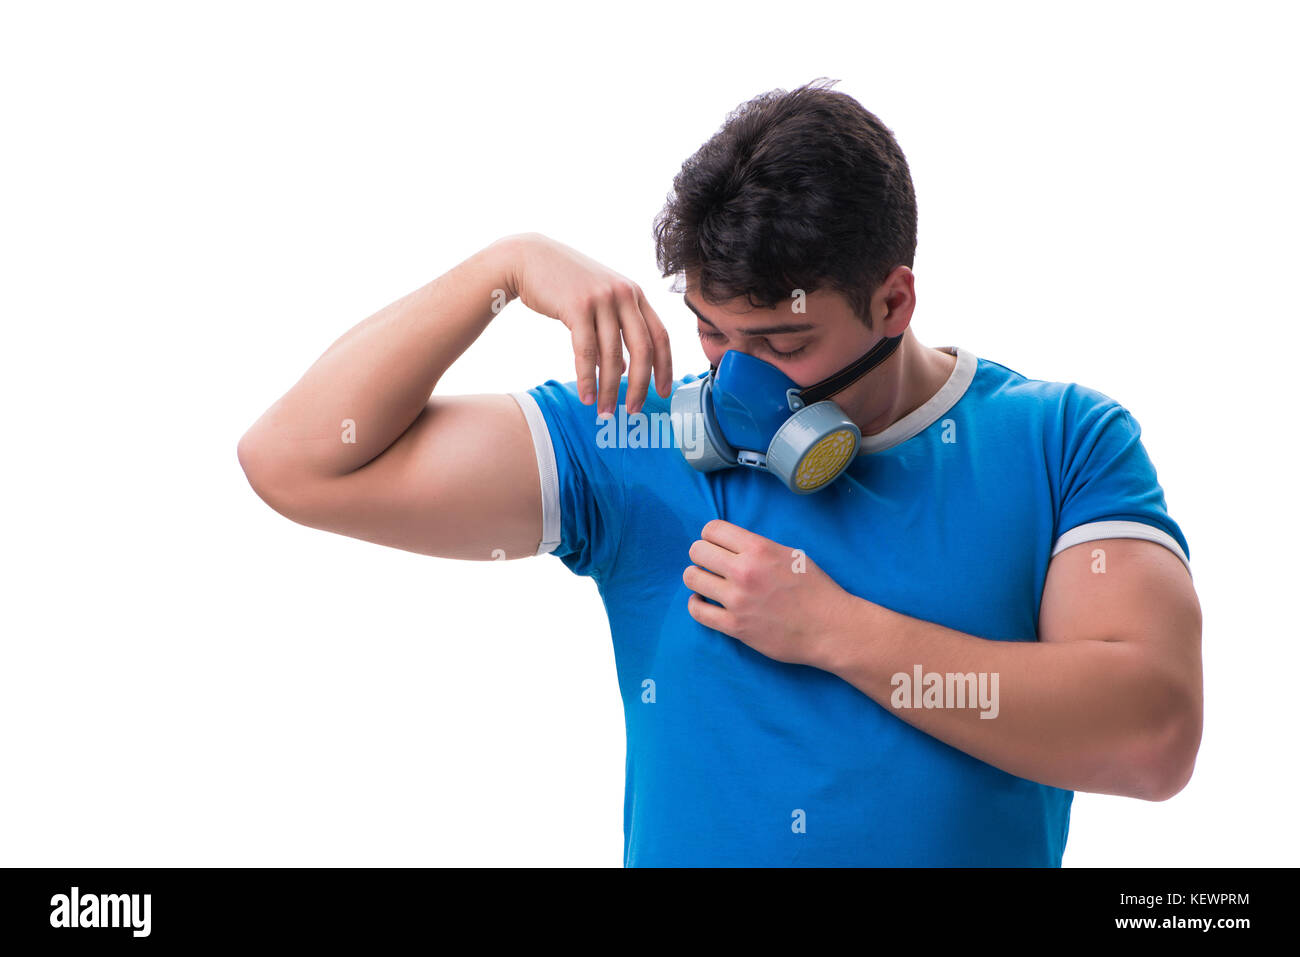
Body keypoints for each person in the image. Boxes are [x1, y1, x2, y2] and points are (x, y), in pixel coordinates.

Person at [237, 79, 1203, 867]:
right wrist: (506, 267)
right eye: (711, 331)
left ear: (894, 299)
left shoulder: (1064, 440)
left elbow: (1153, 735)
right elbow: (297, 461)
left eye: (783, 340)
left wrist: (836, 631)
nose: (736, 378)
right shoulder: (638, 434)